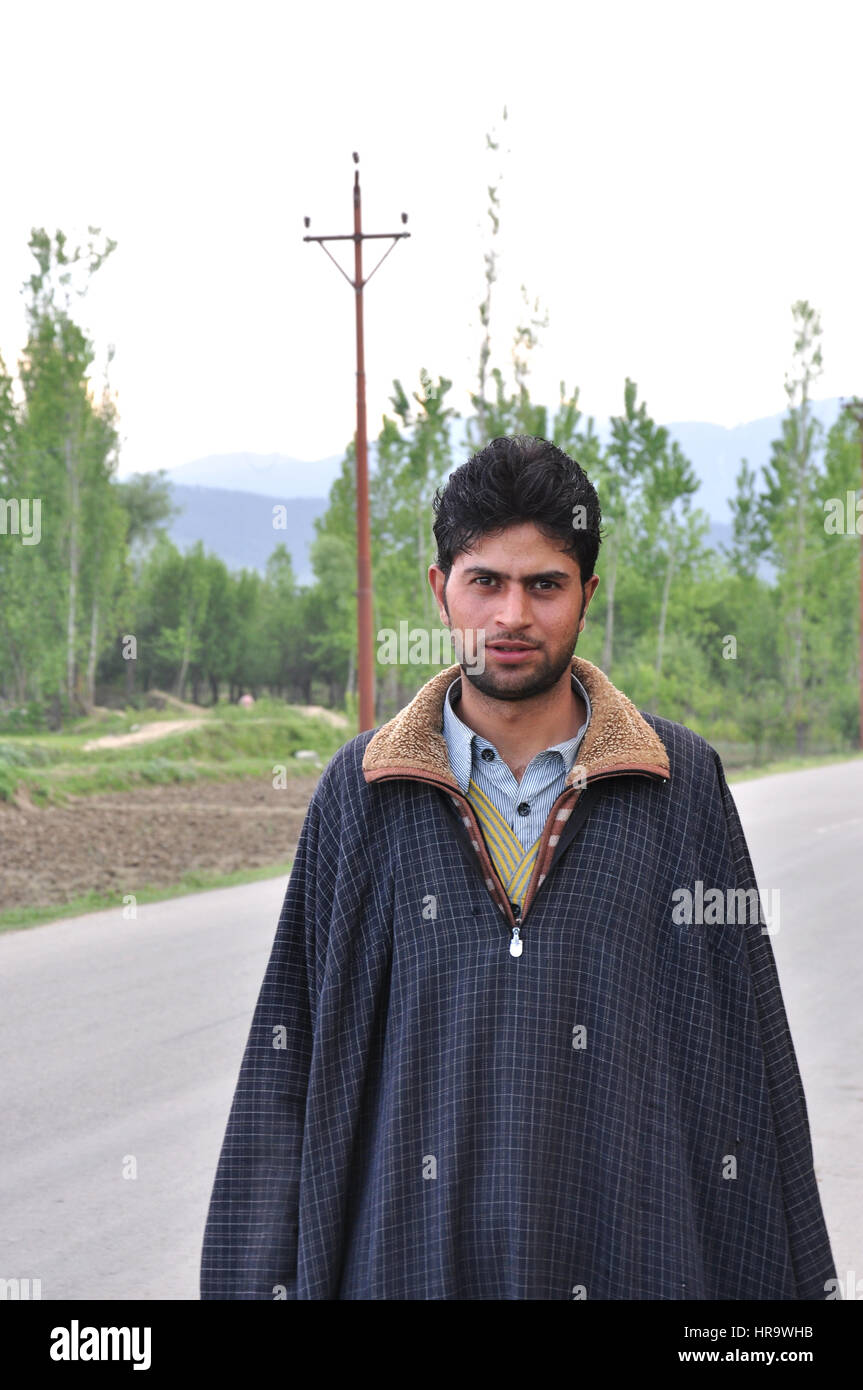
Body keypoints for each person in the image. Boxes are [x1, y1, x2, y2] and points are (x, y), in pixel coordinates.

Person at [200, 434, 836, 1300]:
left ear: (586, 596)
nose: (511, 615)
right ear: (439, 590)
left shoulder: (677, 783)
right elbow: (290, 1065)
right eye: (484, 582)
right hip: (409, 1260)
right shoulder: (364, 793)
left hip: (630, 1253)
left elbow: (744, 1054)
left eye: (544, 584)